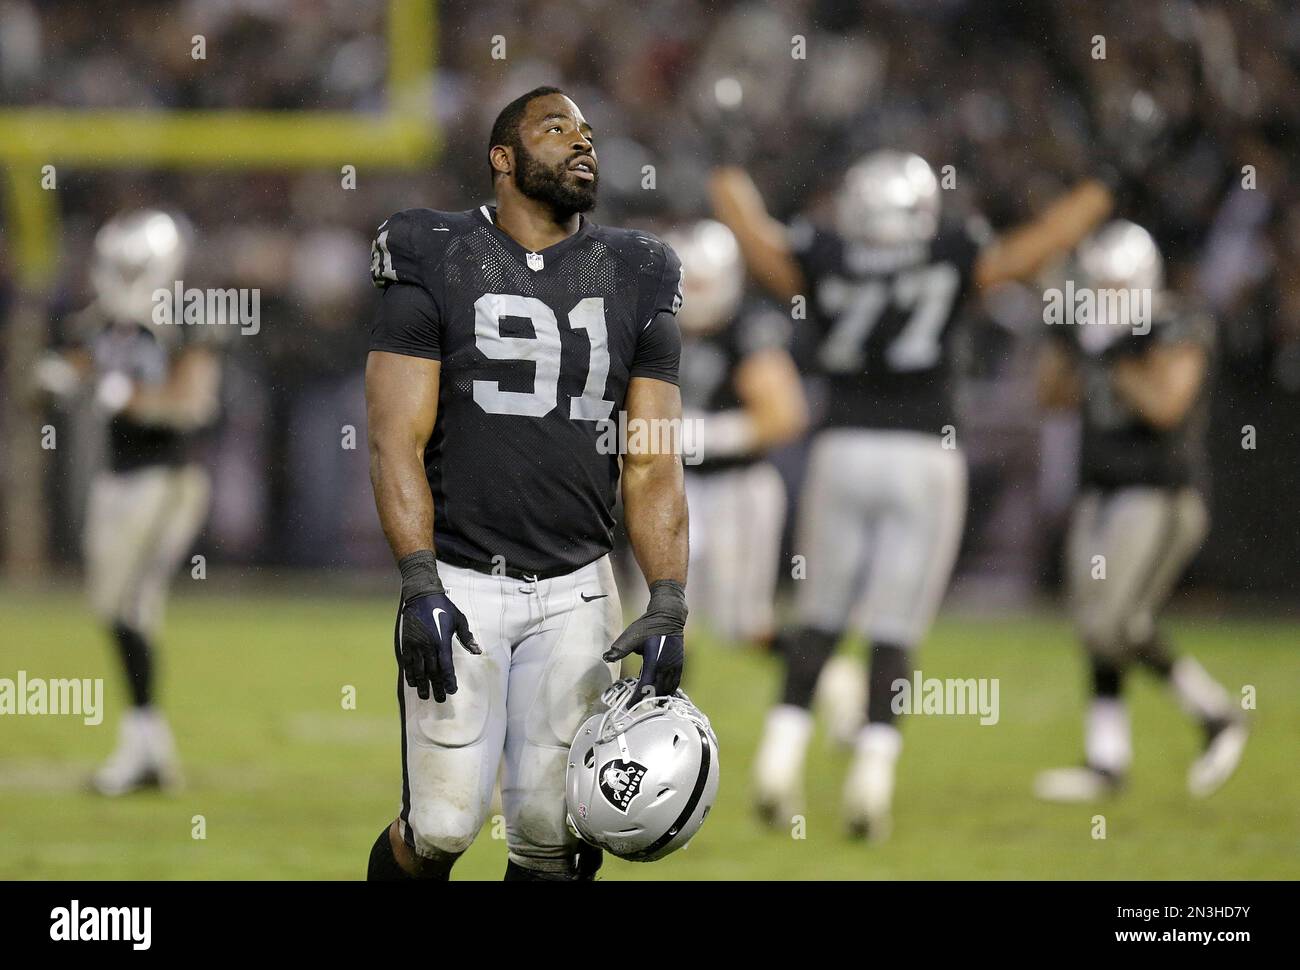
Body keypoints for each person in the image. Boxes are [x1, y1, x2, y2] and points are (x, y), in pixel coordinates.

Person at [711, 150, 1113, 839]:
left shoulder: (828, 252)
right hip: (926, 452)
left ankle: (779, 759)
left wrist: (725, 161)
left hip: (842, 450)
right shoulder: (953, 252)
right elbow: (1034, 249)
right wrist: (1106, 184)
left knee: (821, 616)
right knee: (894, 625)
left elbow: (756, 242)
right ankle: (873, 772)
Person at [364, 86, 689, 881]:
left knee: (553, 831)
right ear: (502, 159)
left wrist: (670, 598)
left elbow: (651, 457)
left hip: (579, 585)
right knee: (440, 826)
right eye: (556, 128)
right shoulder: (432, 249)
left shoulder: (639, 269)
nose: (582, 141)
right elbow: (394, 440)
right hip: (464, 580)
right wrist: (417, 582)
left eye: (587, 131)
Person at [1035, 220, 1248, 802]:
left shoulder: (1176, 321)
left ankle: (1216, 714)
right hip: (1099, 489)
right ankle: (1107, 760)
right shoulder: (1088, 326)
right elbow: (1050, 399)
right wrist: (1064, 340)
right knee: (1096, 626)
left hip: (1157, 492)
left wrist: (1114, 354)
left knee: (1114, 624)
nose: (1101, 293)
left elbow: (1165, 405)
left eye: (1110, 284)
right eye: (1094, 284)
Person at [35, 209, 221, 796]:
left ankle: (142, 744)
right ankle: (148, 746)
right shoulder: (100, 321)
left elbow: (191, 405)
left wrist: (122, 395)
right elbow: (75, 370)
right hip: (116, 478)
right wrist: (59, 379)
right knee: (119, 608)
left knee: (124, 605)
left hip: (167, 479)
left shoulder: (189, 317)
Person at [667, 219, 808, 648]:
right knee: (664, 617)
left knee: (744, 624)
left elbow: (785, 416)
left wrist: (700, 435)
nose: (693, 298)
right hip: (671, 484)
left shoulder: (748, 327)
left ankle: (827, 681)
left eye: (703, 285)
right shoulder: (649, 325)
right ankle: (655, 709)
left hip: (736, 486)